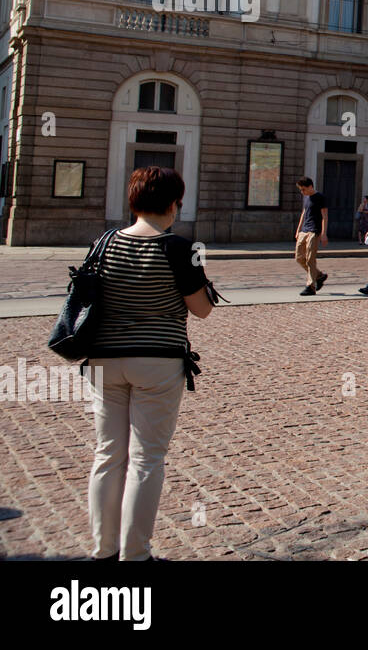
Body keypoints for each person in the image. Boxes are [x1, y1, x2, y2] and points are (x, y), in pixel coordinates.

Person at [87, 167, 213, 560]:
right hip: (156, 361)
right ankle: (135, 554)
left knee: (108, 455)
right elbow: (202, 309)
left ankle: (103, 550)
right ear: (174, 204)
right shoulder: (179, 248)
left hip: (103, 359)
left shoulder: (104, 242)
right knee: (146, 459)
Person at [294, 176, 328, 296]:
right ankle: (319, 276)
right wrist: (298, 229)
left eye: (303, 189)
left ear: (310, 187)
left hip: (314, 231)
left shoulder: (320, 197)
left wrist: (323, 234)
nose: (302, 192)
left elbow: (324, 216)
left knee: (310, 259)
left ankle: (310, 286)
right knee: (299, 257)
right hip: (304, 230)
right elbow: (304, 213)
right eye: (301, 190)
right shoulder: (306, 197)